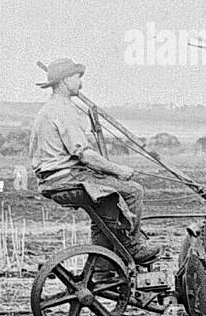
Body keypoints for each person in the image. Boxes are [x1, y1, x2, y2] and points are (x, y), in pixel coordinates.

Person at [28, 58, 159, 264]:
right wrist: (117, 170)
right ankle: (133, 247)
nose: (81, 83)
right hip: (68, 177)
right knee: (133, 191)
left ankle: (101, 271)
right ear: (64, 81)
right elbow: (84, 154)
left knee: (105, 214)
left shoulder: (47, 109)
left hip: (52, 178)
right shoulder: (63, 109)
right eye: (77, 77)